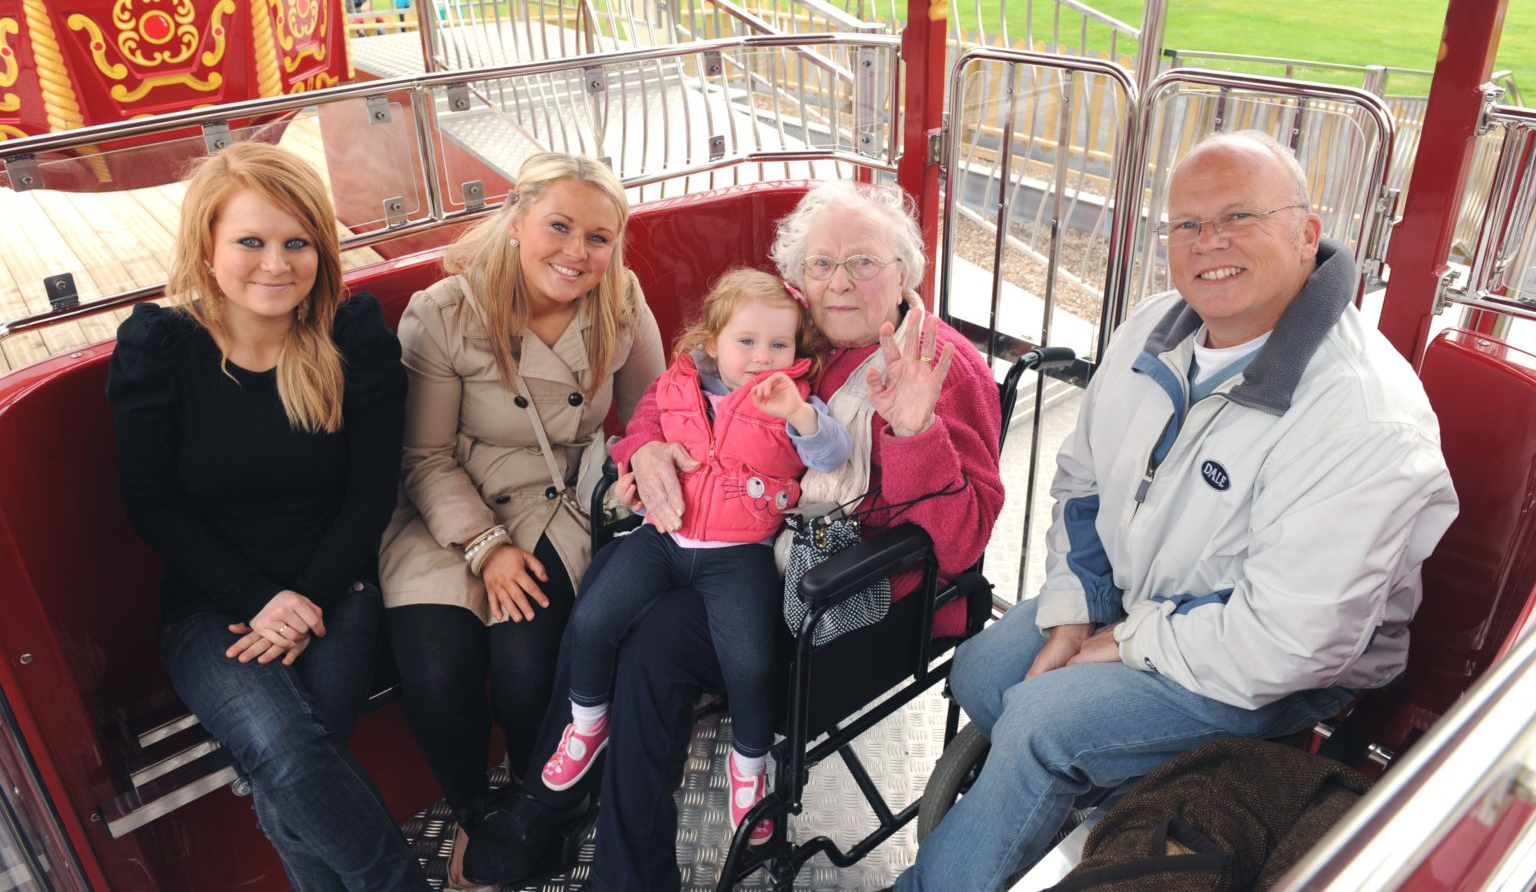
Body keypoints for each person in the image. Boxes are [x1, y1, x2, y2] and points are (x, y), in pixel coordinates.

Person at [892, 131, 1459, 892]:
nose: (1208, 244)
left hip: (1277, 670)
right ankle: (1101, 802)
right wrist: (1075, 609)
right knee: (986, 668)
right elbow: (1083, 482)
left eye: (1238, 218)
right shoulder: (1156, 325)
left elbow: (1292, 643)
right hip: (1142, 599)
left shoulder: (1363, 418)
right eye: (1186, 225)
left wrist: (1130, 642)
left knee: (1038, 724)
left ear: (1306, 233)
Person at [487, 179, 1006, 891]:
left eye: (863, 261)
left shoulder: (941, 367)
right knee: (622, 604)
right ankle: (581, 817)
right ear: (796, 279)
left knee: (653, 644)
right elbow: (684, 398)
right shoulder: (789, 336)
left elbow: (962, 543)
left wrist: (916, 431)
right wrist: (642, 451)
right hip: (751, 552)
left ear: (906, 272)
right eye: (821, 265)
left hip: (860, 600)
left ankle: (600, 848)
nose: (840, 282)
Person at [106, 143, 426, 891]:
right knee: (286, 752)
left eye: (296, 242)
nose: (275, 264)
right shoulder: (158, 348)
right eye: (250, 241)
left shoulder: (353, 338)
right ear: (206, 248)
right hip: (213, 609)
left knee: (290, 766)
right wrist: (260, 600)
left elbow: (371, 491)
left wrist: (305, 597)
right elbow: (151, 501)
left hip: (336, 592)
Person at [378, 153, 665, 888]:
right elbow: (424, 455)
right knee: (435, 669)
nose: (577, 252)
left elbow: (656, 417)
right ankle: (480, 817)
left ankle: (544, 803)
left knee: (528, 665)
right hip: (453, 508)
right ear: (516, 223)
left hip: (560, 499)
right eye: (559, 227)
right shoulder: (445, 312)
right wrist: (485, 547)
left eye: (598, 238)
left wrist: (644, 470)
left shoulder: (620, 300)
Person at [541, 268, 853, 848]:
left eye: (779, 345)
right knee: (590, 621)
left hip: (740, 555)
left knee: (751, 663)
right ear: (712, 343)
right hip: (665, 538)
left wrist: (799, 413)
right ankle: (587, 724)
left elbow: (832, 454)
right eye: (747, 342)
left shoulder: (792, 398)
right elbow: (638, 432)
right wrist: (641, 454)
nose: (762, 358)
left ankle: (749, 769)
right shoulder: (677, 386)